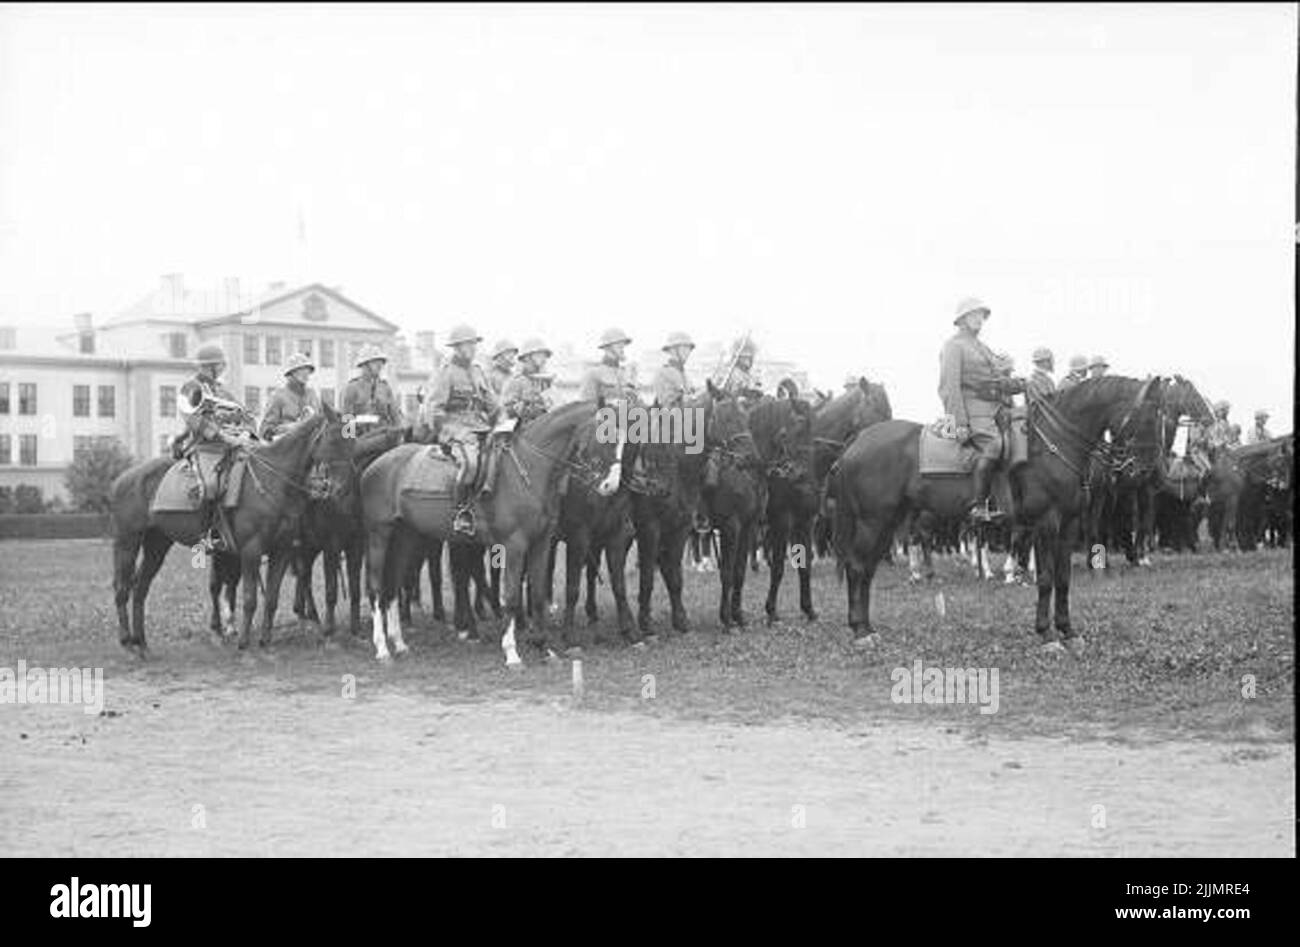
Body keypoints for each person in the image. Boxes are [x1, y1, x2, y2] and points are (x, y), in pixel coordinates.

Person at [938, 297, 1021, 522]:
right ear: (962, 319)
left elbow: (996, 380)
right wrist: (959, 423)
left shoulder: (983, 347)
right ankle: (979, 504)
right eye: (974, 315)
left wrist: (1016, 382)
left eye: (981, 315)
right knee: (994, 444)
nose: (979, 319)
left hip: (996, 408)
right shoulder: (954, 346)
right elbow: (949, 387)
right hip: (971, 409)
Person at [177, 343, 258, 552]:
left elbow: (244, 413)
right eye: (216, 366)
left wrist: (247, 431)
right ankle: (205, 538)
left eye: (220, 366)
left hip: (230, 447)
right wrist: (221, 435)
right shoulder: (190, 387)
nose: (220, 370)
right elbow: (193, 419)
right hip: (204, 448)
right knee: (210, 486)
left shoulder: (222, 391)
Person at [423, 324, 499, 534]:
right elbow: (436, 407)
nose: (473, 348)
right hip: (455, 427)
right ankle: (461, 511)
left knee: (502, 454)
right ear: (457, 347)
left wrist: (498, 419)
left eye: (474, 344)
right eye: (469, 344)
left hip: (480, 424)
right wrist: (443, 433)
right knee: (470, 463)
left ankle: (490, 504)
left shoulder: (478, 371)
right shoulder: (446, 372)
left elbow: (492, 402)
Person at [341, 344, 404, 434]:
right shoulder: (352, 388)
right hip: (361, 438)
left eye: (381, 363)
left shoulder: (385, 388)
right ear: (365, 365)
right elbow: (347, 419)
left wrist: (400, 434)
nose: (380, 366)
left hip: (384, 436)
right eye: (375, 362)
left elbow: (395, 416)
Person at [260, 352, 322, 441]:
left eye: (307, 370)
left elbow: (321, 420)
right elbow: (265, 432)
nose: (306, 374)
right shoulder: (278, 396)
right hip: (286, 448)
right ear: (291, 373)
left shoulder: (312, 395)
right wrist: (291, 428)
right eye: (301, 370)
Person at [500, 338, 554, 424]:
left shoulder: (547, 381)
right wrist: (524, 405)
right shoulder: (517, 381)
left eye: (545, 356)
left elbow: (555, 404)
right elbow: (506, 411)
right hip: (526, 428)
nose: (544, 359)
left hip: (547, 424)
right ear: (528, 357)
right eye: (540, 355)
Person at [653, 331, 696, 409]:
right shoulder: (662, 373)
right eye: (684, 348)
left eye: (689, 349)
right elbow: (667, 403)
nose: (688, 352)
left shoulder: (685, 374)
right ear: (673, 350)